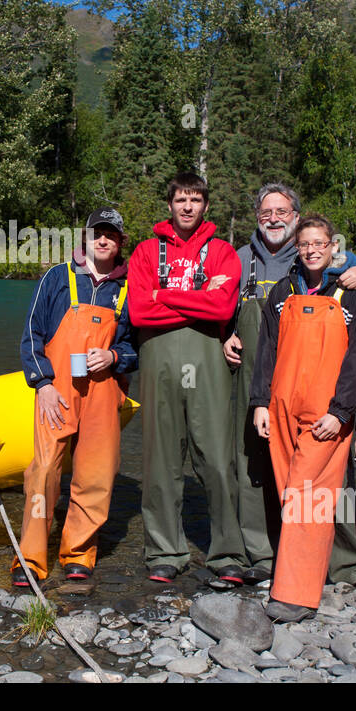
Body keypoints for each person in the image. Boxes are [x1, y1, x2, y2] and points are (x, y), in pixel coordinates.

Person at [224, 185, 356, 586]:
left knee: (331, 479)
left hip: (327, 388)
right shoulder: (244, 262)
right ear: (256, 215)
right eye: (266, 211)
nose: (274, 217)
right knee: (266, 469)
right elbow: (233, 315)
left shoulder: (343, 267)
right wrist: (227, 333)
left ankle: (344, 563)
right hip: (269, 381)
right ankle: (271, 555)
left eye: (282, 210)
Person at [127, 173, 246, 584]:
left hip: (207, 362)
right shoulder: (145, 252)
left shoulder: (222, 251)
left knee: (215, 458)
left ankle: (228, 551)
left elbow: (221, 308)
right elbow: (139, 313)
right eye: (181, 199)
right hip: (158, 361)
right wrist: (198, 299)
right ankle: (164, 550)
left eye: (195, 200)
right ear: (170, 205)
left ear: (206, 206)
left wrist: (164, 295)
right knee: (161, 460)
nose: (188, 207)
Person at [14, 209, 138, 586]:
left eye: (111, 235)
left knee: (96, 474)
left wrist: (114, 356)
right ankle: (31, 558)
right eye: (97, 234)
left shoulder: (130, 288)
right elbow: (31, 335)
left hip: (104, 391)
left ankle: (78, 553)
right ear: (85, 239)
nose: (103, 240)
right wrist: (43, 384)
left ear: (120, 243)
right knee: (44, 473)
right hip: (57, 391)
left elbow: (136, 347)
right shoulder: (57, 277)